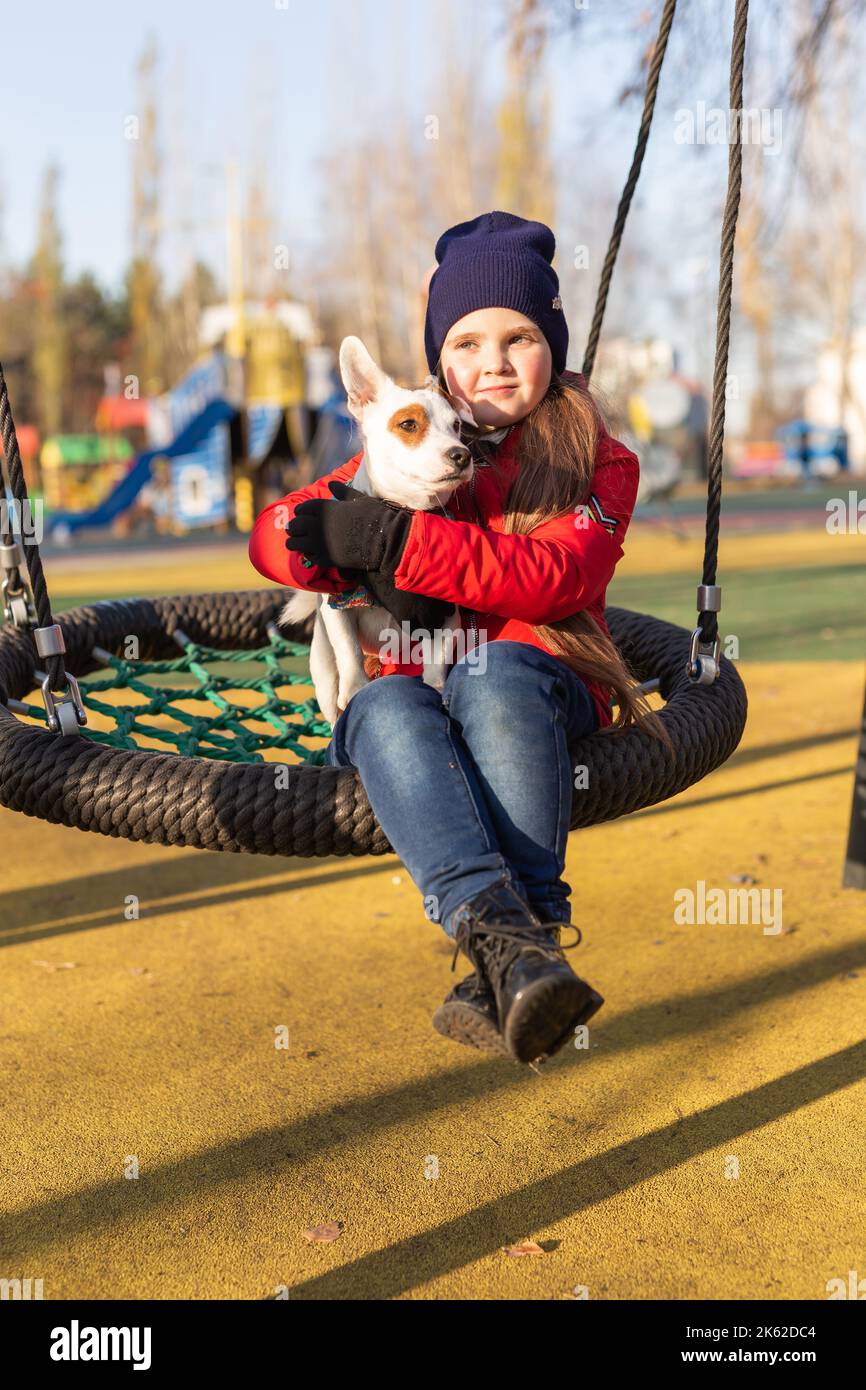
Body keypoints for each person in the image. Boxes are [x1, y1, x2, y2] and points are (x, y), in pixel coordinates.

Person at [249, 211, 671, 1066]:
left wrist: (394, 544)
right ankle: (513, 952)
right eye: (468, 342)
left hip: (545, 686)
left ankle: (526, 927)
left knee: (497, 669)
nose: (493, 363)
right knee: (383, 707)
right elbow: (274, 536)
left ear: (553, 346)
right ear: (439, 359)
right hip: (421, 695)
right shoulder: (409, 434)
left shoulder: (599, 461)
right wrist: (318, 536)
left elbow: (555, 581)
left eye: (518, 339)